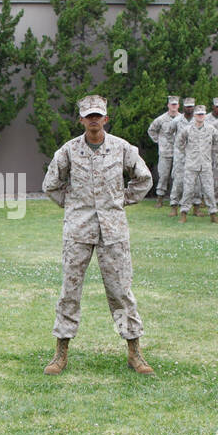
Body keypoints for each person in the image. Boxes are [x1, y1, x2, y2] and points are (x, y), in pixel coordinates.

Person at [41, 94, 153, 376]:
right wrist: (73, 205)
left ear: (105, 118)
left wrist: (121, 199)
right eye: (88, 116)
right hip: (78, 231)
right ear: (81, 120)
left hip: (113, 231)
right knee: (70, 291)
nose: (93, 120)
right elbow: (51, 184)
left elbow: (144, 178)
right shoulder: (68, 151)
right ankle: (60, 353)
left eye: (97, 116)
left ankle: (134, 353)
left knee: (121, 291)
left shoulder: (121, 148)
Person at [147, 96, 183, 206]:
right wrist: (159, 141)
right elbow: (151, 130)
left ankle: (177, 199)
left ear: (178, 106)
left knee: (178, 176)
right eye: (172, 104)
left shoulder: (182, 119)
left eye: (175, 104)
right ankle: (160, 198)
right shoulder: (161, 119)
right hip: (165, 152)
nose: (173, 106)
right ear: (168, 105)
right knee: (163, 175)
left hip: (179, 152)